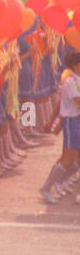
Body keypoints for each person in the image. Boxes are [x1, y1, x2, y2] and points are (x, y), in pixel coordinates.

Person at [39, 49, 80, 203]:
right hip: (72, 121)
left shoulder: (76, 79)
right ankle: (47, 187)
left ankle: (59, 181)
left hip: (76, 119)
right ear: (75, 65)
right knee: (68, 158)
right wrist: (53, 122)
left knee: (76, 160)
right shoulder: (70, 81)